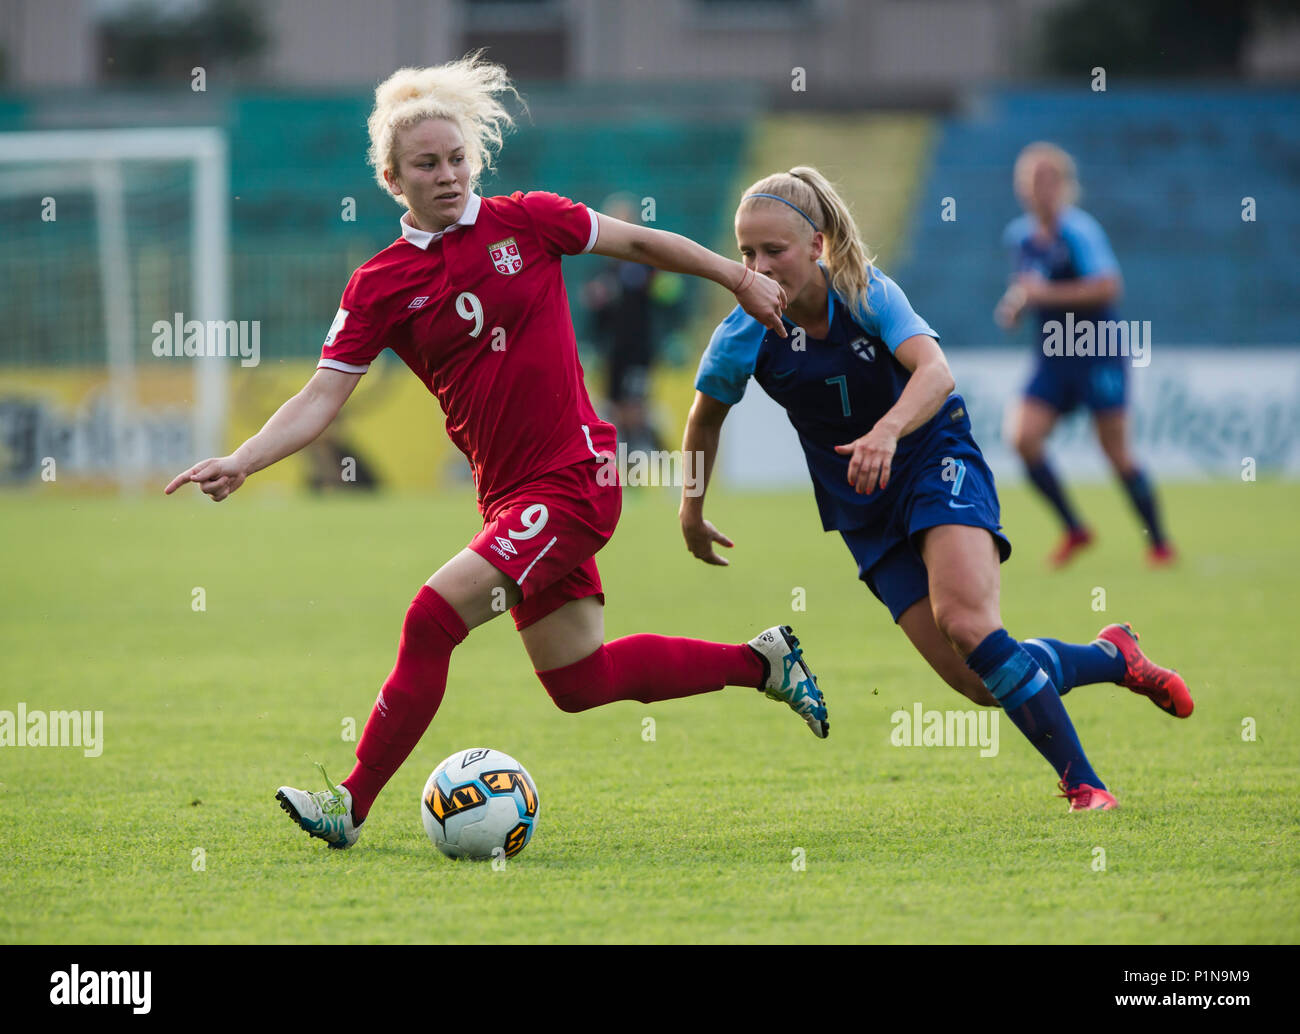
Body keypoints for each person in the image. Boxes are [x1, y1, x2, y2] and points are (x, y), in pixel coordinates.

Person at [163, 55, 829, 850]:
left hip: (575, 478)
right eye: (426, 165)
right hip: (510, 498)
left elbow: (641, 245)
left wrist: (733, 277)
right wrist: (242, 459)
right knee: (579, 681)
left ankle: (350, 803)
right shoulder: (377, 285)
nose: (447, 176)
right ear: (392, 178)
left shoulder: (528, 220)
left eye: (456, 160)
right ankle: (763, 664)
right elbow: (320, 396)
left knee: (430, 619)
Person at [680, 166, 1193, 812]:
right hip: (862, 510)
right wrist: (691, 508)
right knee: (982, 683)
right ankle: (1112, 657)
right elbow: (704, 419)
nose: (757, 266)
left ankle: (1084, 785)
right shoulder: (742, 333)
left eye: (773, 251)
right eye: (747, 254)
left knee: (970, 625)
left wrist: (888, 432)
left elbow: (936, 371)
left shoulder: (864, 292)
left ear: (816, 246)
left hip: (930, 458)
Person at [995, 142, 1174, 567]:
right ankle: (1075, 528)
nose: (1038, 188)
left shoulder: (1080, 231)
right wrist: (1017, 305)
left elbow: (1109, 287)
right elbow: (1028, 287)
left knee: (1115, 451)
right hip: (1054, 356)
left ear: (1063, 185)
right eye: (1030, 180)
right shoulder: (1020, 237)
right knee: (1022, 438)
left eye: (1047, 179)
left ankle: (1159, 543)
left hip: (1097, 351)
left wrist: (1043, 295)